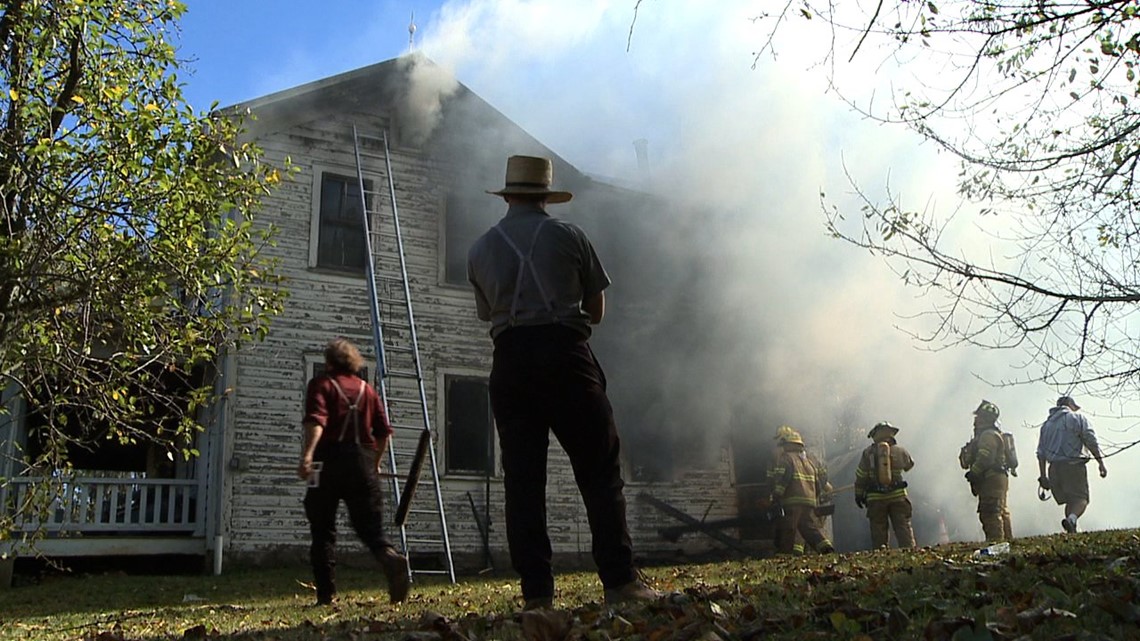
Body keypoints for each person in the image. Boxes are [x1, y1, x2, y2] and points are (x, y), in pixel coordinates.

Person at [466, 155, 657, 609]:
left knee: (523, 483)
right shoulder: (569, 236)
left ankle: (537, 595)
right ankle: (620, 581)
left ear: (508, 194)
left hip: (510, 362)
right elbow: (597, 310)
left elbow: (484, 313)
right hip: (566, 355)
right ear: (546, 197)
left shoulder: (479, 249)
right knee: (599, 470)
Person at [298, 337, 410, 606]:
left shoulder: (321, 384)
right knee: (369, 528)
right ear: (353, 362)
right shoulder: (366, 390)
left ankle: (326, 595)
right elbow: (383, 433)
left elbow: (317, 422)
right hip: (361, 462)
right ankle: (389, 556)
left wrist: (308, 455)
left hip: (327, 462)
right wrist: (374, 462)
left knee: (322, 529)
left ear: (328, 361)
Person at [1036, 395, 1107, 533]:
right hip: (1073, 466)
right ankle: (1072, 520)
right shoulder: (1077, 419)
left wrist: (1043, 476)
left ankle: (1071, 529)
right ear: (1069, 404)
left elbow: (1040, 453)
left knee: (1070, 500)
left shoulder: (1046, 425)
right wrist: (1100, 462)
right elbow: (1090, 440)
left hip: (1054, 469)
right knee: (1081, 499)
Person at [769, 427, 835, 555]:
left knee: (788, 527)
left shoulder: (786, 459)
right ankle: (825, 547)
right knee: (808, 527)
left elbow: (783, 480)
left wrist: (776, 496)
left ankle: (785, 555)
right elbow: (817, 482)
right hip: (809, 502)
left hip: (792, 501)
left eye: (783, 445)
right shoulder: (808, 462)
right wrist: (816, 497)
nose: (782, 448)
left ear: (788, 445)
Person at [854, 421, 917, 549]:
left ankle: (881, 553)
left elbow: (861, 476)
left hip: (875, 498)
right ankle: (909, 550)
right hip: (898, 496)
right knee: (902, 525)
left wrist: (859, 494)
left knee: (878, 528)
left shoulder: (867, 453)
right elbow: (909, 465)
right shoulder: (900, 451)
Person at [959, 400, 1013, 542]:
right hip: (997, 478)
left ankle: (997, 544)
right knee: (1000, 511)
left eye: (978, 417)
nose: (975, 421)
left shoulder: (988, 435)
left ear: (985, 419)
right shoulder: (991, 434)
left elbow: (985, 456)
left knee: (990, 512)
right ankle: (1007, 543)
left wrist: (974, 472)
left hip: (991, 479)